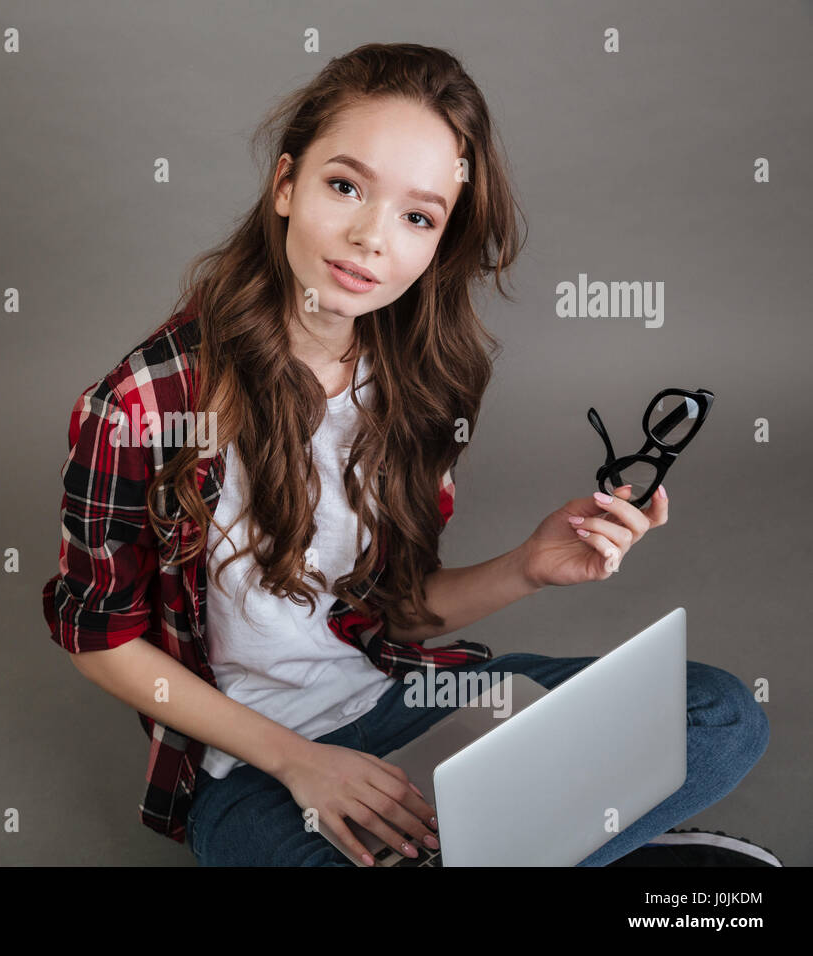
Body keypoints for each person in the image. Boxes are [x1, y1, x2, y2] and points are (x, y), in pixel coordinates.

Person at [40, 42, 769, 866]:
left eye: (417, 216)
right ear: (286, 185)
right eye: (344, 186)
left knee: (718, 714)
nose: (368, 238)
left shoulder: (420, 384)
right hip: (254, 769)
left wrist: (529, 566)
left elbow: (388, 611)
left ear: (438, 243)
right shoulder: (146, 402)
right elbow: (98, 638)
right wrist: (303, 763)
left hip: (415, 699)